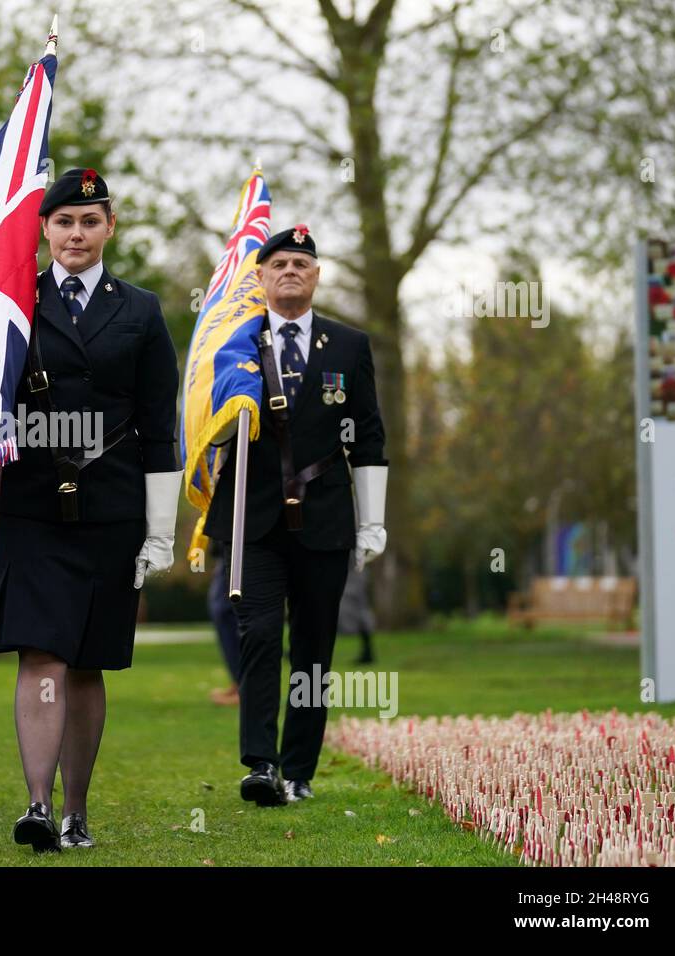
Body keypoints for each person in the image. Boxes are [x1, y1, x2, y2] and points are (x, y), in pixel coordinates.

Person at [0, 168, 182, 851]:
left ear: (110, 229)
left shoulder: (141, 311)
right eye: (64, 222)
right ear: (45, 229)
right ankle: (36, 806)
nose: (76, 234)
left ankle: (75, 811)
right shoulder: (12, 300)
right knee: (42, 653)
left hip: (112, 507)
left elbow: (161, 427)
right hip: (32, 506)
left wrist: (160, 531)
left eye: (90, 222)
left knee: (88, 661)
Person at [204, 224, 388, 806]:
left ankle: (299, 768)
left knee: (313, 647)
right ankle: (260, 764)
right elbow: (205, 426)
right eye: (277, 263)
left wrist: (373, 520)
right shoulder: (233, 345)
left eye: (300, 264)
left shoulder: (349, 346)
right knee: (258, 635)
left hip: (326, 519)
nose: (289, 271)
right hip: (253, 520)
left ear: (317, 275)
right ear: (259, 277)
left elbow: (370, 438)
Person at [207, 540, 241, 706]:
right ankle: (240, 682)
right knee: (223, 610)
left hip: (239, 543)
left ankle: (244, 685)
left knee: (224, 609)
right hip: (227, 545)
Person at [338, 551, 377, 664]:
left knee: (360, 610)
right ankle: (368, 653)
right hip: (353, 568)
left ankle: (368, 653)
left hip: (355, 569)